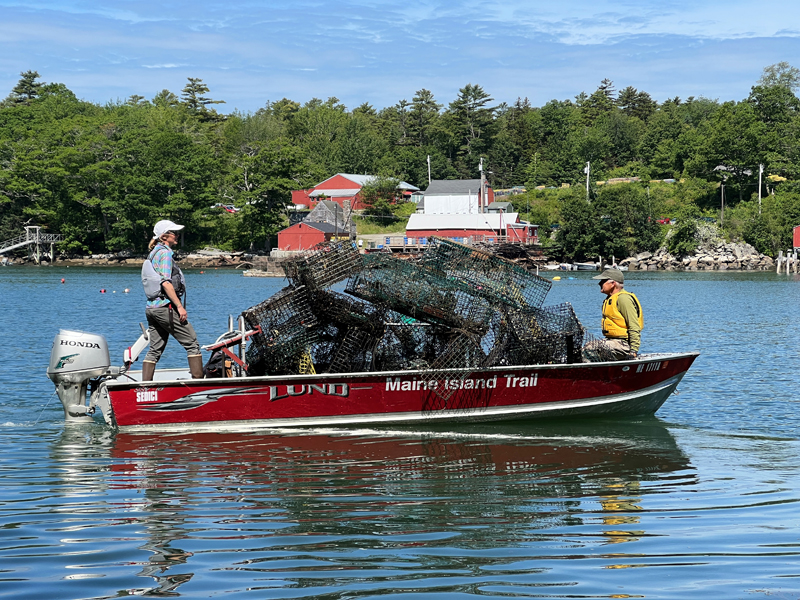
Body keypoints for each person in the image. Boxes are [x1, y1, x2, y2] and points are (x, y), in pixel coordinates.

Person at [140, 219, 203, 381]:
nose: (177, 235)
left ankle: (145, 387)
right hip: (164, 307)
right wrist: (179, 306)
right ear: (164, 237)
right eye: (174, 233)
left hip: (151, 308)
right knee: (191, 342)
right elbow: (166, 282)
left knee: (155, 348)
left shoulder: (153, 253)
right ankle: (199, 384)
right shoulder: (165, 253)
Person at [588, 268, 643, 360]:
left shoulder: (623, 299)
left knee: (591, 349)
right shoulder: (610, 298)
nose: (599, 284)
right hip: (612, 341)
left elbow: (634, 326)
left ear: (613, 283)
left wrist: (633, 351)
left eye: (603, 281)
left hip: (623, 345)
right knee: (587, 346)